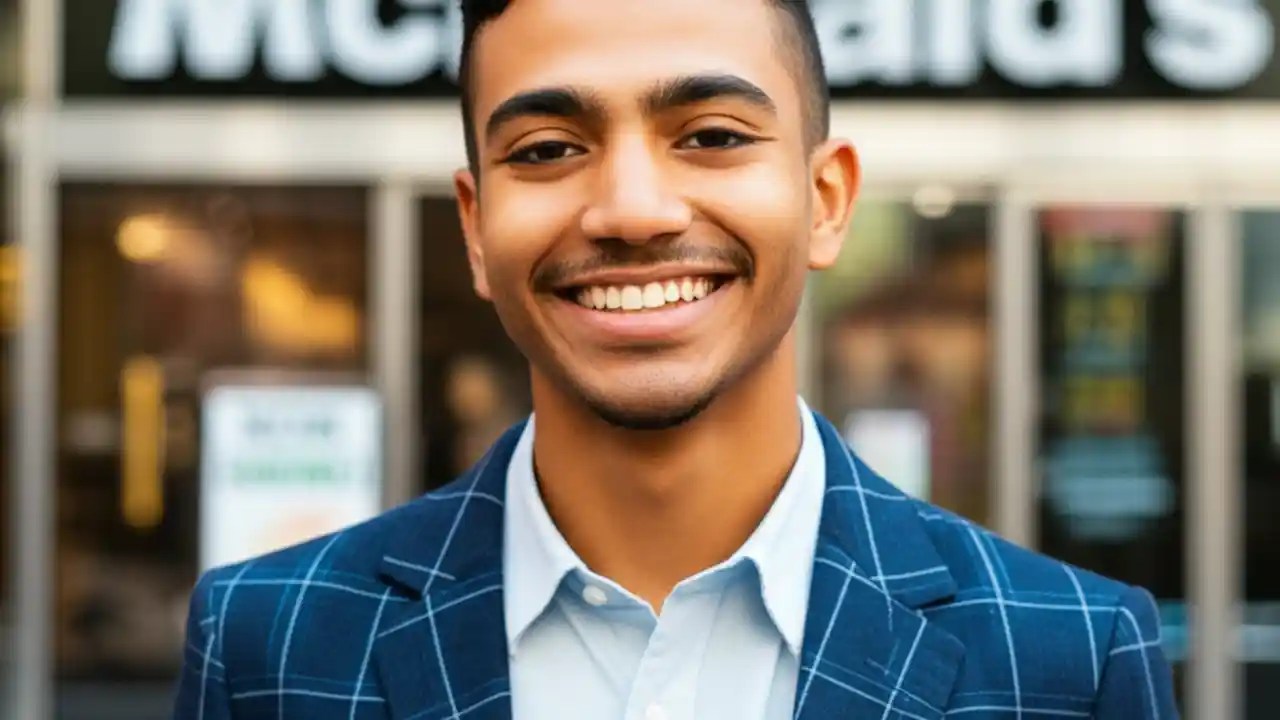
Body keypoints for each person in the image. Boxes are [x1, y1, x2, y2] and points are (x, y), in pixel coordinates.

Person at [172, 0, 1179, 718]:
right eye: (547, 150)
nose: (632, 211)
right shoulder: (269, 644)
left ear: (825, 200)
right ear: (475, 229)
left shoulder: (1067, 660)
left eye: (710, 135)